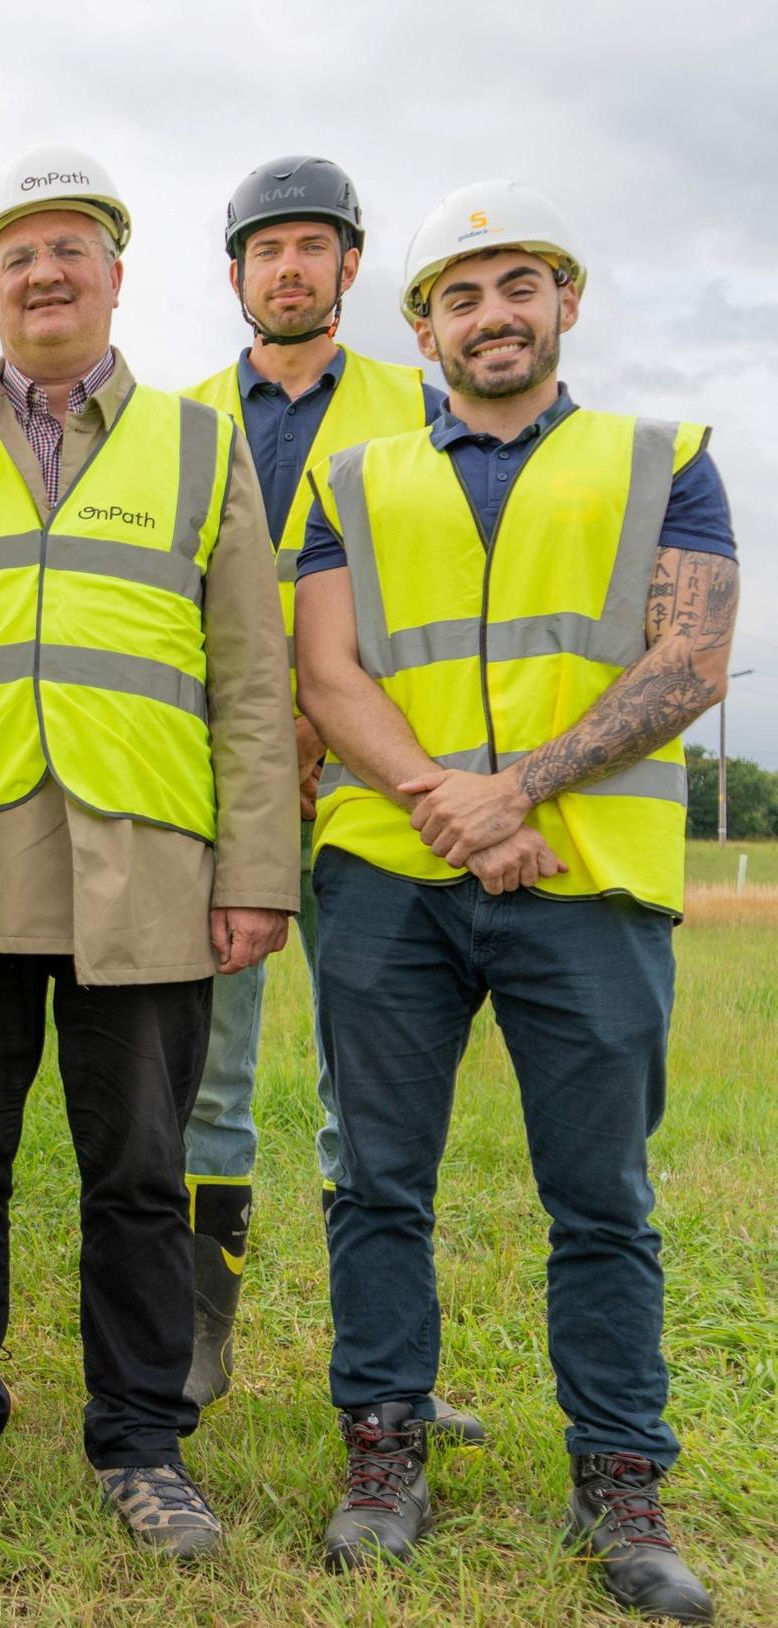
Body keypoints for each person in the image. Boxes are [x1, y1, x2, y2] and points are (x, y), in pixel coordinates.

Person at [0, 145, 297, 1560]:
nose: (45, 274)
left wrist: (257, 870)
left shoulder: (203, 448)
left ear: (113, 277)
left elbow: (253, 681)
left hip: (150, 872)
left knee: (142, 1170)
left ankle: (141, 1440)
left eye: (70, 249)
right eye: (18, 254)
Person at [296, 179, 730, 1623]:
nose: (493, 314)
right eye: (462, 295)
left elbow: (689, 662)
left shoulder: (664, 456)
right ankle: (383, 1453)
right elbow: (329, 671)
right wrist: (451, 802)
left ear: (566, 303)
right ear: (421, 327)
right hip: (387, 880)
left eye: (519, 286)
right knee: (376, 1182)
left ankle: (621, 1480)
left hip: (588, 881)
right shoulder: (352, 477)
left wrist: (519, 792)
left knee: (601, 1197)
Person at [177, 158, 481, 1446]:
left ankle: (390, 1371)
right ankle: (195, 1337)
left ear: (351, 267)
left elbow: (434, 608)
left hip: (369, 794)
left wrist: (324, 728)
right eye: (265, 250)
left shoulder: (422, 411)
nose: (287, 268)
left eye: (311, 247)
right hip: (213, 792)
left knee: (372, 1091)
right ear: (234, 273)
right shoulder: (176, 419)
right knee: (208, 1077)